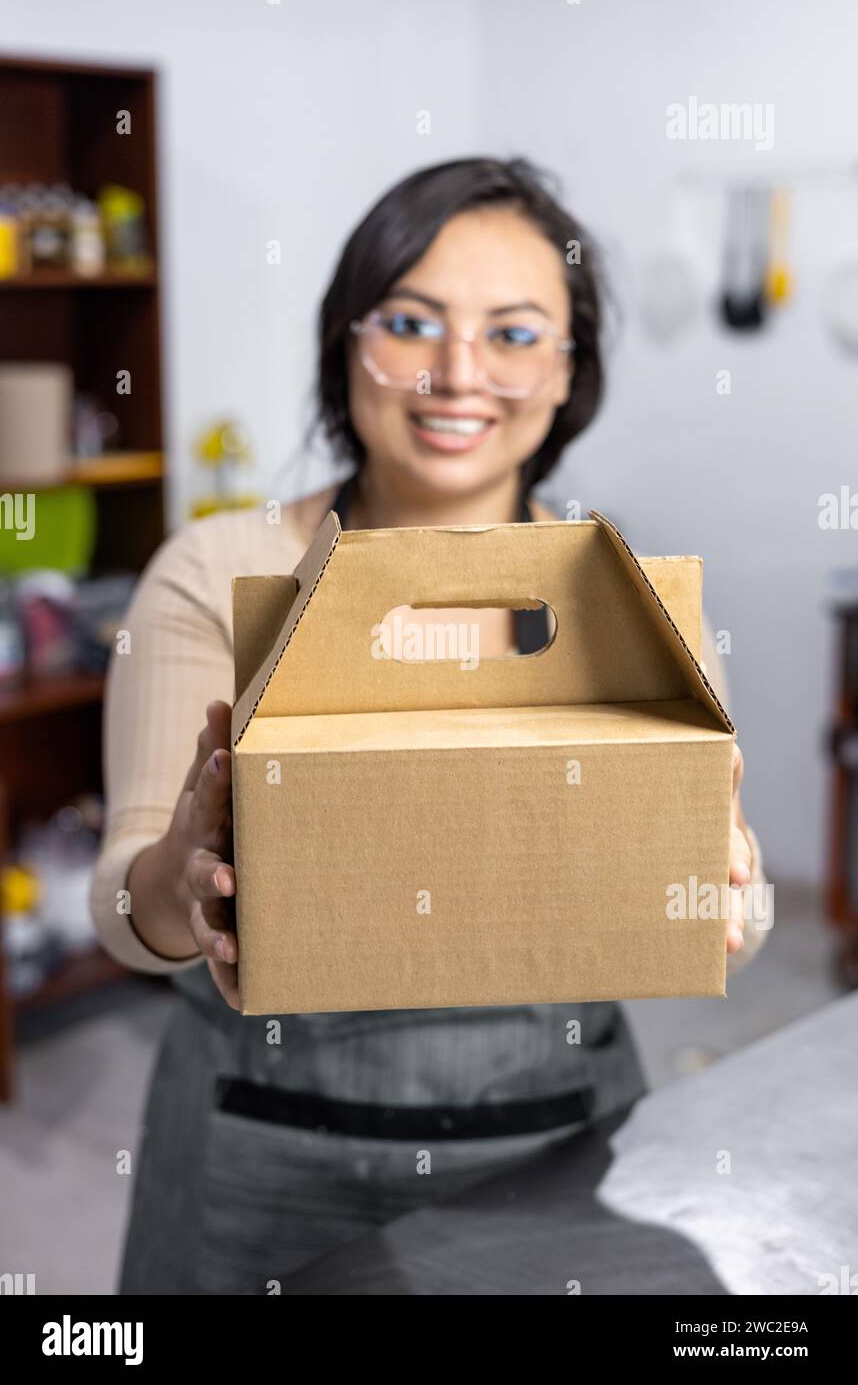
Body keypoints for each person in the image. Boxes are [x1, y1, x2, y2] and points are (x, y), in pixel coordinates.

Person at [90, 157, 768, 1295]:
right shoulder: (218, 570)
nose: (458, 374)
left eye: (512, 334)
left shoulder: (624, 602)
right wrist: (176, 870)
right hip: (258, 1145)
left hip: (551, 1138)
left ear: (567, 371)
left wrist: (725, 897)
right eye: (410, 322)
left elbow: (706, 918)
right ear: (346, 343)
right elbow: (121, 906)